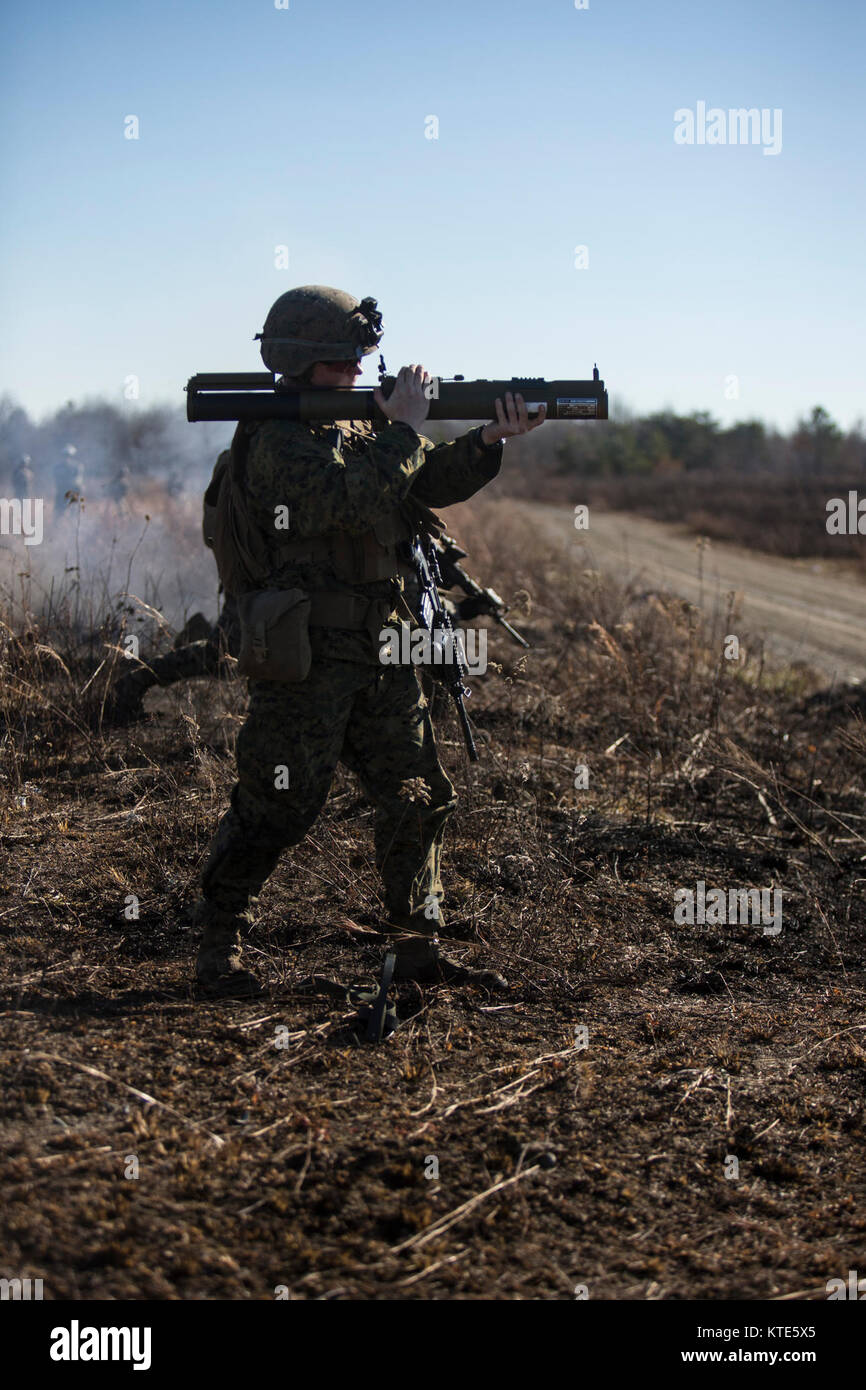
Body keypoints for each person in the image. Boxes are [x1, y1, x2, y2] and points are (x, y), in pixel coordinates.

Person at [189, 285, 546, 998]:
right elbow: (346, 500)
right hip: (307, 654)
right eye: (344, 358)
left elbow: (414, 488)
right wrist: (406, 429)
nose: (358, 368)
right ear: (303, 359)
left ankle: (418, 951)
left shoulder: (359, 427)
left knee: (417, 795)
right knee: (280, 801)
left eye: (361, 356)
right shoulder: (276, 439)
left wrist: (483, 442)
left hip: (387, 645)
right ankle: (217, 945)